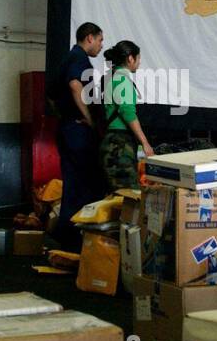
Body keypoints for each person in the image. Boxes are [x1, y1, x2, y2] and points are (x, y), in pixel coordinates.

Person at [51, 22, 106, 250]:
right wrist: (89, 119)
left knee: (73, 184)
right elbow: (75, 86)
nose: (102, 45)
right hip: (78, 132)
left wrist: (64, 118)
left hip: (67, 128)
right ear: (90, 38)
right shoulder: (79, 59)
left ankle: (66, 235)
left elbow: (52, 97)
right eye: (101, 40)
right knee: (84, 186)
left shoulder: (66, 59)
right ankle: (75, 239)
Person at [99, 40, 155, 190]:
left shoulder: (111, 78)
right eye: (139, 58)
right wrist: (145, 142)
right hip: (120, 144)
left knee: (115, 195)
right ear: (131, 58)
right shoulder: (123, 81)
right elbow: (127, 112)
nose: (139, 62)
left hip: (111, 141)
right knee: (128, 195)